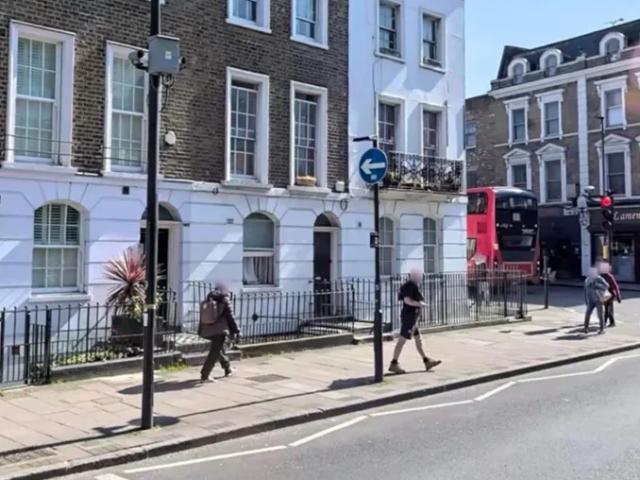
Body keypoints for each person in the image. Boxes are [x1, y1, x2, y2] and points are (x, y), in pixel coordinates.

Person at [389, 269, 441, 374]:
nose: (420, 277)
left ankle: (427, 360)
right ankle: (394, 363)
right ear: (413, 276)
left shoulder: (413, 285)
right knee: (402, 340)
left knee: (418, 339)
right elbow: (407, 300)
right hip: (409, 317)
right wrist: (420, 304)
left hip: (412, 317)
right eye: (418, 275)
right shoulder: (410, 286)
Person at [199, 282, 240, 383]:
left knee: (219, 349)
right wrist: (237, 330)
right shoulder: (224, 300)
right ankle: (205, 375)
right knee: (214, 352)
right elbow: (230, 317)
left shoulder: (209, 298)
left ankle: (227, 368)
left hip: (206, 328)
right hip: (219, 330)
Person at [583, 266, 609, 334]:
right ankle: (586, 328)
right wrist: (586, 300)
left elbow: (607, 286)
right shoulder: (587, 279)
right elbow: (585, 291)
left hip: (598, 299)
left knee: (600, 314)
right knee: (588, 313)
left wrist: (597, 285)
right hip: (590, 300)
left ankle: (602, 329)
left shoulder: (599, 278)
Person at [599, 261, 621, 327]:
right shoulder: (601, 276)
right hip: (605, 293)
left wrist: (618, 296)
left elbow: (615, 286)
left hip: (610, 294)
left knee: (607, 308)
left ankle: (605, 323)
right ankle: (611, 322)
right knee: (608, 308)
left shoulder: (609, 276)